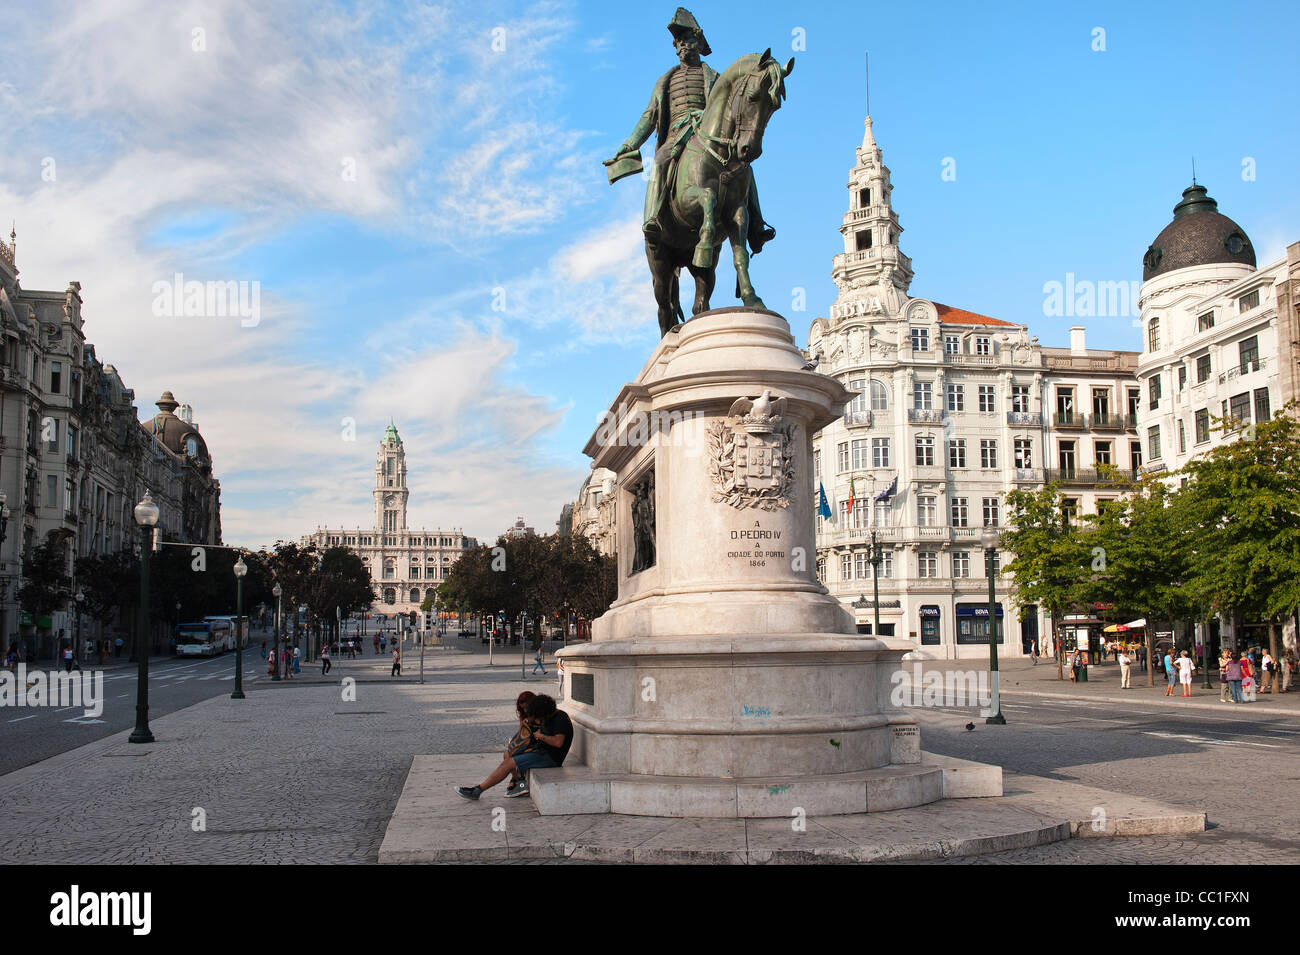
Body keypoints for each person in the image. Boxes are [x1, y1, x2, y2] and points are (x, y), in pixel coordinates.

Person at [456, 694, 573, 800]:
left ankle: (478, 790)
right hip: (541, 751)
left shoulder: (560, 719)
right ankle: (520, 784)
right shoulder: (550, 716)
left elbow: (558, 742)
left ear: (544, 712)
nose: (537, 720)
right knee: (508, 753)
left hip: (550, 757)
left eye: (537, 717)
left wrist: (540, 736)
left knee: (509, 763)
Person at [504, 691, 540, 797]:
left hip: (536, 744)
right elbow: (522, 733)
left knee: (511, 755)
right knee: (507, 753)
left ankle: (517, 780)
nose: (525, 710)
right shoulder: (523, 715)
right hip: (527, 742)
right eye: (522, 708)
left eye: (526, 708)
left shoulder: (540, 714)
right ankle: (518, 779)